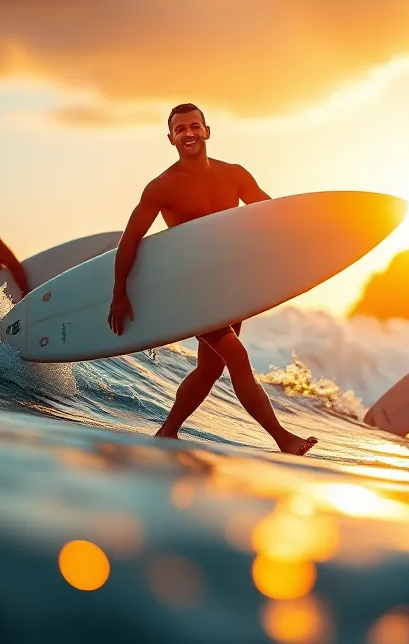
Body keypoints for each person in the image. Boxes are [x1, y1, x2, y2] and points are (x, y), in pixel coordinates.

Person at [107, 103, 318, 457]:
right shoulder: (162, 187)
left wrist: (306, 236)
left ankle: (167, 432)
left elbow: (269, 214)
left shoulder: (234, 175)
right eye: (180, 129)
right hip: (192, 289)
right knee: (235, 357)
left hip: (230, 288)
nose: (188, 133)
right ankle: (284, 439)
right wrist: (119, 292)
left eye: (194, 126)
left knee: (209, 369)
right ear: (171, 138)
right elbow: (130, 241)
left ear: (207, 130)